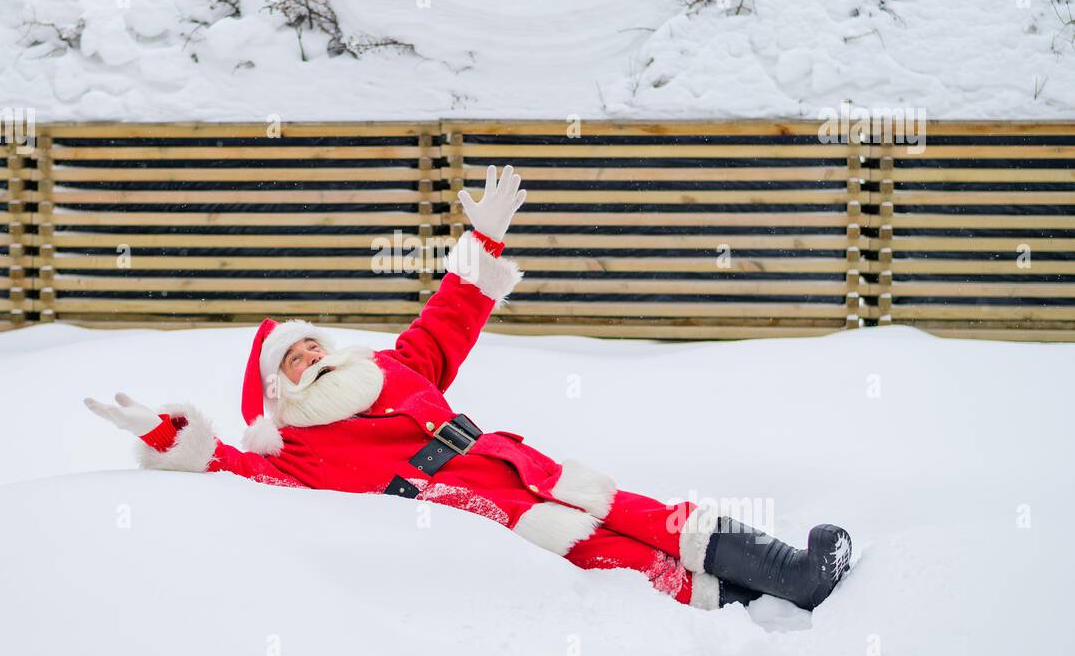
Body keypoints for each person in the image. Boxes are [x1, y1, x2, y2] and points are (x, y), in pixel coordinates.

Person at [86, 165, 852, 611]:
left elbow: (449, 315)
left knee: (650, 516)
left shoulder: (389, 367)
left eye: (310, 338)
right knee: (613, 558)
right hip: (474, 508)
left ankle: (793, 574)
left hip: (516, 461)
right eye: (291, 356)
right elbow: (225, 461)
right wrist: (166, 433)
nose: (309, 349)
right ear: (276, 391)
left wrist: (483, 240)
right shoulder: (295, 451)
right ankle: (748, 606)